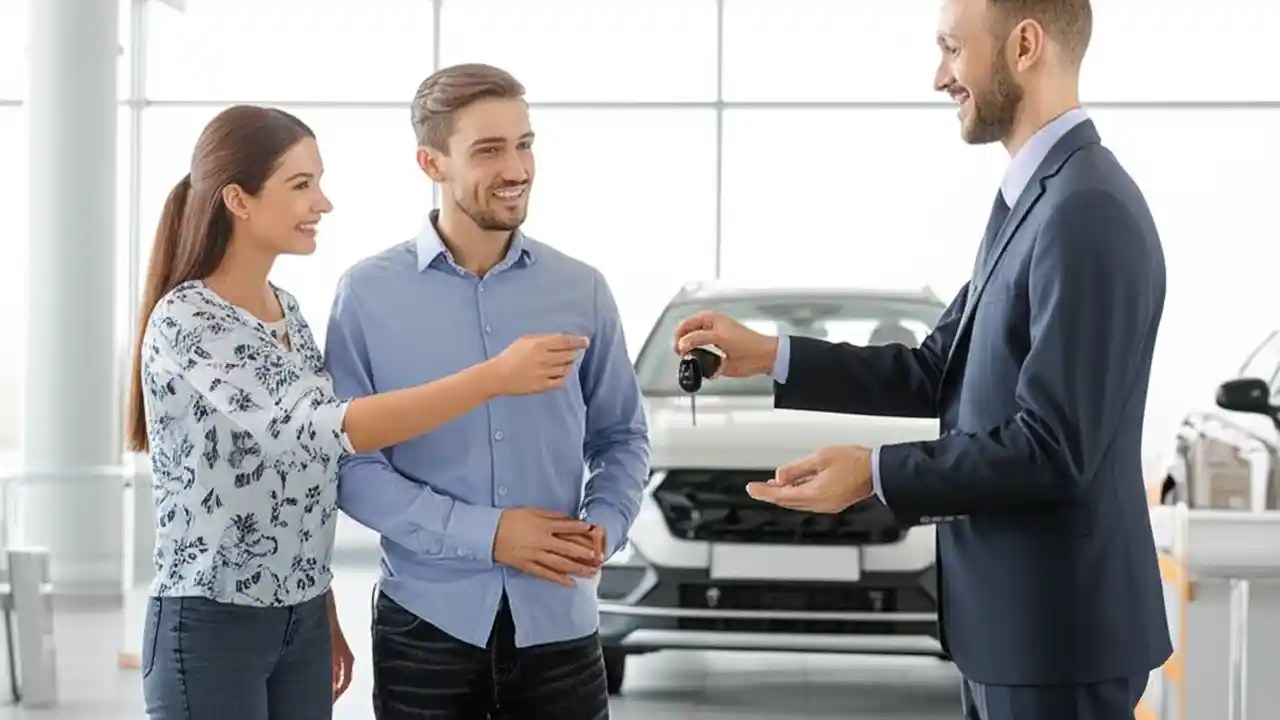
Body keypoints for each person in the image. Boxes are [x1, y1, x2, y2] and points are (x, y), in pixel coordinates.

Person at [673, 0, 1171, 718]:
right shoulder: (1039, 199)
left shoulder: (1084, 211)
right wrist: (772, 356)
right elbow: (940, 368)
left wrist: (875, 473)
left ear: (1025, 45)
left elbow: (1055, 445)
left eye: (951, 49)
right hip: (1016, 631)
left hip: (1055, 634)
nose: (940, 76)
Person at [125, 104, 590, 720]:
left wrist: (320, 608)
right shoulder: (188, 319)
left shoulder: (285, 310)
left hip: (299, 621)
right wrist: (493, 378)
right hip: (212, 619)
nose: (322, 202)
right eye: (301, 185)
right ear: (238, 199)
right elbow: (324, 430)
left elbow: (302, 482)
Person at [323, 62, 648, 720]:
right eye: (490, 149)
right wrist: (487, 534)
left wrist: (603, 528)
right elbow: (351, 465)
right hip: (426, 628)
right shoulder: (367, 294)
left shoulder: (580, 288)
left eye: (525, 144)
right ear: (431, 162)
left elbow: (622, 437)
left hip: (561, 624)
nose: (518, 168)